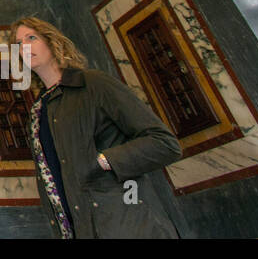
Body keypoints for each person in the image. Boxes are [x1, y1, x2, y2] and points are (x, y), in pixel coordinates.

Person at [10, 16, 182, 239]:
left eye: (31, 38)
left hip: (127, 225)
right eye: (18, 44)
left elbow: (164, 143)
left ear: (52, 41)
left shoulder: (92, 83)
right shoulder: (38, 111)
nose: (24, 46)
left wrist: (105, 160)